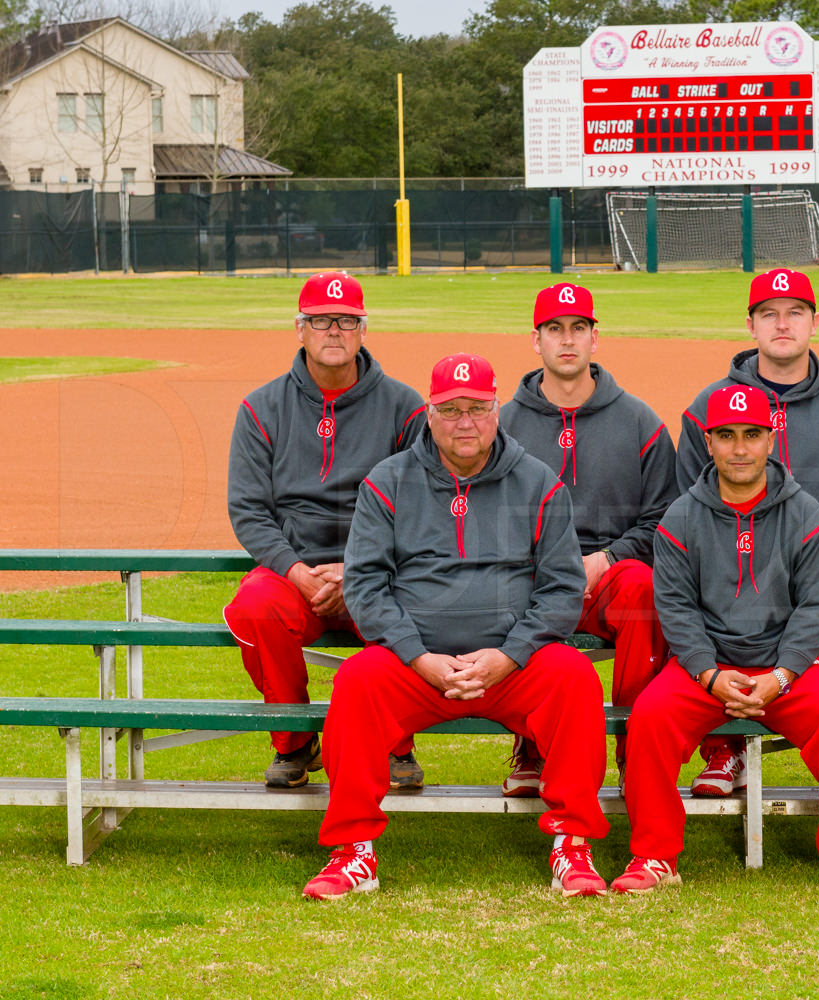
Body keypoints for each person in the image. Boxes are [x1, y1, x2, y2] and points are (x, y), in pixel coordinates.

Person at [302, 353, 610, 900]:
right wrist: (419, 657)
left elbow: (563, 589)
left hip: (513, 667)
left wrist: (508, 656)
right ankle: (353, 852)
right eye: (451, 410)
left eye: (477, 408)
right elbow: (367, 586)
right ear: (429, 412)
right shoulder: (389, 482)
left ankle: (573, 842)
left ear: (497, 411)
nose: (465, 422)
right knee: (357, 681)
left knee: (573, 677)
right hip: (417, 666)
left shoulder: (538, 483)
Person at [610, 385, 819, 895]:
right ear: (708, 442)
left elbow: (816, 606)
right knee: (649, 719)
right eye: (727, 436)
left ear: (770, 439)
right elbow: (676, 607)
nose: (740, 448)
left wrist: (784, 674)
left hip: (785, 668)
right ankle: (654, 855)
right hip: (707, 668)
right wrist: (708, 673)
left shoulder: (806, 515)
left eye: (752, 435)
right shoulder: (682, 518)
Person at [675, 268, 819, 797]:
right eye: (769, 313)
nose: (782, 324)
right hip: (726, 572)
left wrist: (800, 570)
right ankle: (724, 750)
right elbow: (689, 507)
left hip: (817, 570)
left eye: (795, 313)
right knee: (687, 597)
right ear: (751, 325)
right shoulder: (705, 408)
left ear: (815, 322)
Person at [224, 271, 427, 790]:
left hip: (380, 569)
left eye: (345, 320)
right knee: (254, 606)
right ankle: (293, 741)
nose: (333, 330)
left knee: (413, 605)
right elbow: (248, 510)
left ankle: (394, 742)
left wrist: (359, 570)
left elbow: (419, 504)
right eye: (320, 320)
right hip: (297, 569)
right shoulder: (260, 408)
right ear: (300, 329)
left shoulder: (406, 408)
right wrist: (296, 571)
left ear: (363, 330)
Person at [498, 282, 677, 794]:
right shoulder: (503, 424)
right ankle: (531, 746)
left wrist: (605, 558)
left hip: (608, 576)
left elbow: (663, 518)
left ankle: (635, 749)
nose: (567, 339)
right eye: (555, 329)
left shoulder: (640, 420)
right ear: (536, 341)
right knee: (505, 589)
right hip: (529, 575)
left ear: (595, 338)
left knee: (644, 589)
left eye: (578, 328)